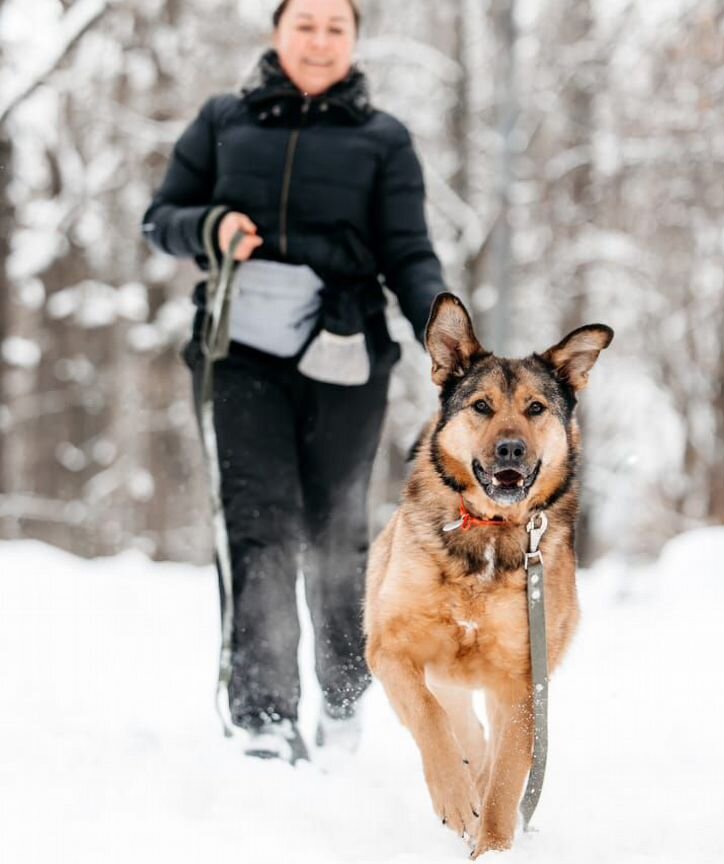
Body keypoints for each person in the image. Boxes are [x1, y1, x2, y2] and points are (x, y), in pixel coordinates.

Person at [141, 0, 445, 763]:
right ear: (278, 32)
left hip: (345, 355)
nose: (318, 38)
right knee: (258, 527)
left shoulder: (384, 140)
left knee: (338, 532)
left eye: (334, 26)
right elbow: (161, 218)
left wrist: (449, 345)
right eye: (304, 23)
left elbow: (409, 253)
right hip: (237, 354)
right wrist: (209, 227)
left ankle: (342, 700)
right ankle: (265, 719)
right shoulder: (223, 120)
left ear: (354, 40)